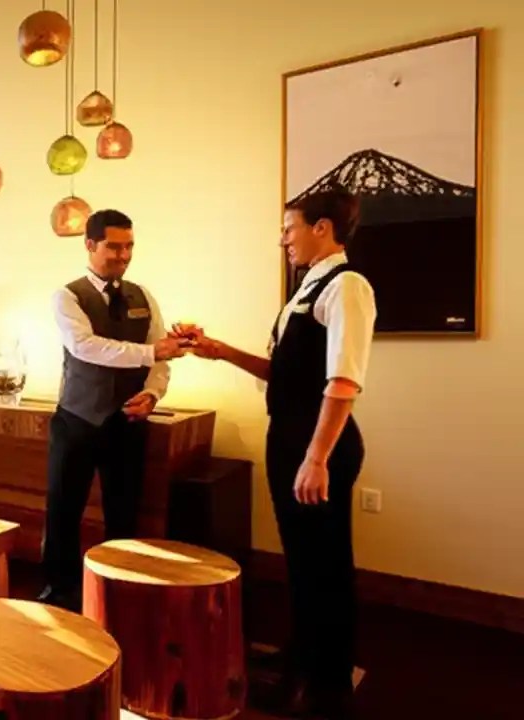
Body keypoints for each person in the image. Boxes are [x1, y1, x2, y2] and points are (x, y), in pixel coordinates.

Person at [174, 188, 375, 719]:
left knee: (326, 563)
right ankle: (302, 657)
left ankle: (328, 682)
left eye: (290, 228)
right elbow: (282, 372)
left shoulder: (347, 286)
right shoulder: (306, 287)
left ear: (322, 228)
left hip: (317, 446)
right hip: (290, 439)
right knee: (303, 560)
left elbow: (344, 380)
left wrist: (317, 457)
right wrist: (219, 351)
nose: (284, 239)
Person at [37, 209, 189, 611]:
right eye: (114, 246)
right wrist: (151, 352)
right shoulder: (67, 296)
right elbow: (85, 347)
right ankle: (59, 590)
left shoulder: (143, 296)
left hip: (127, 422)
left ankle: (119, 588)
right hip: (77, 420)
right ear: (90, 245)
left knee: (124, 512)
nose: (123, 255)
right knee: (63, 510)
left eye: (129, 246)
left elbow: (161, 359)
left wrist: (153, 395)